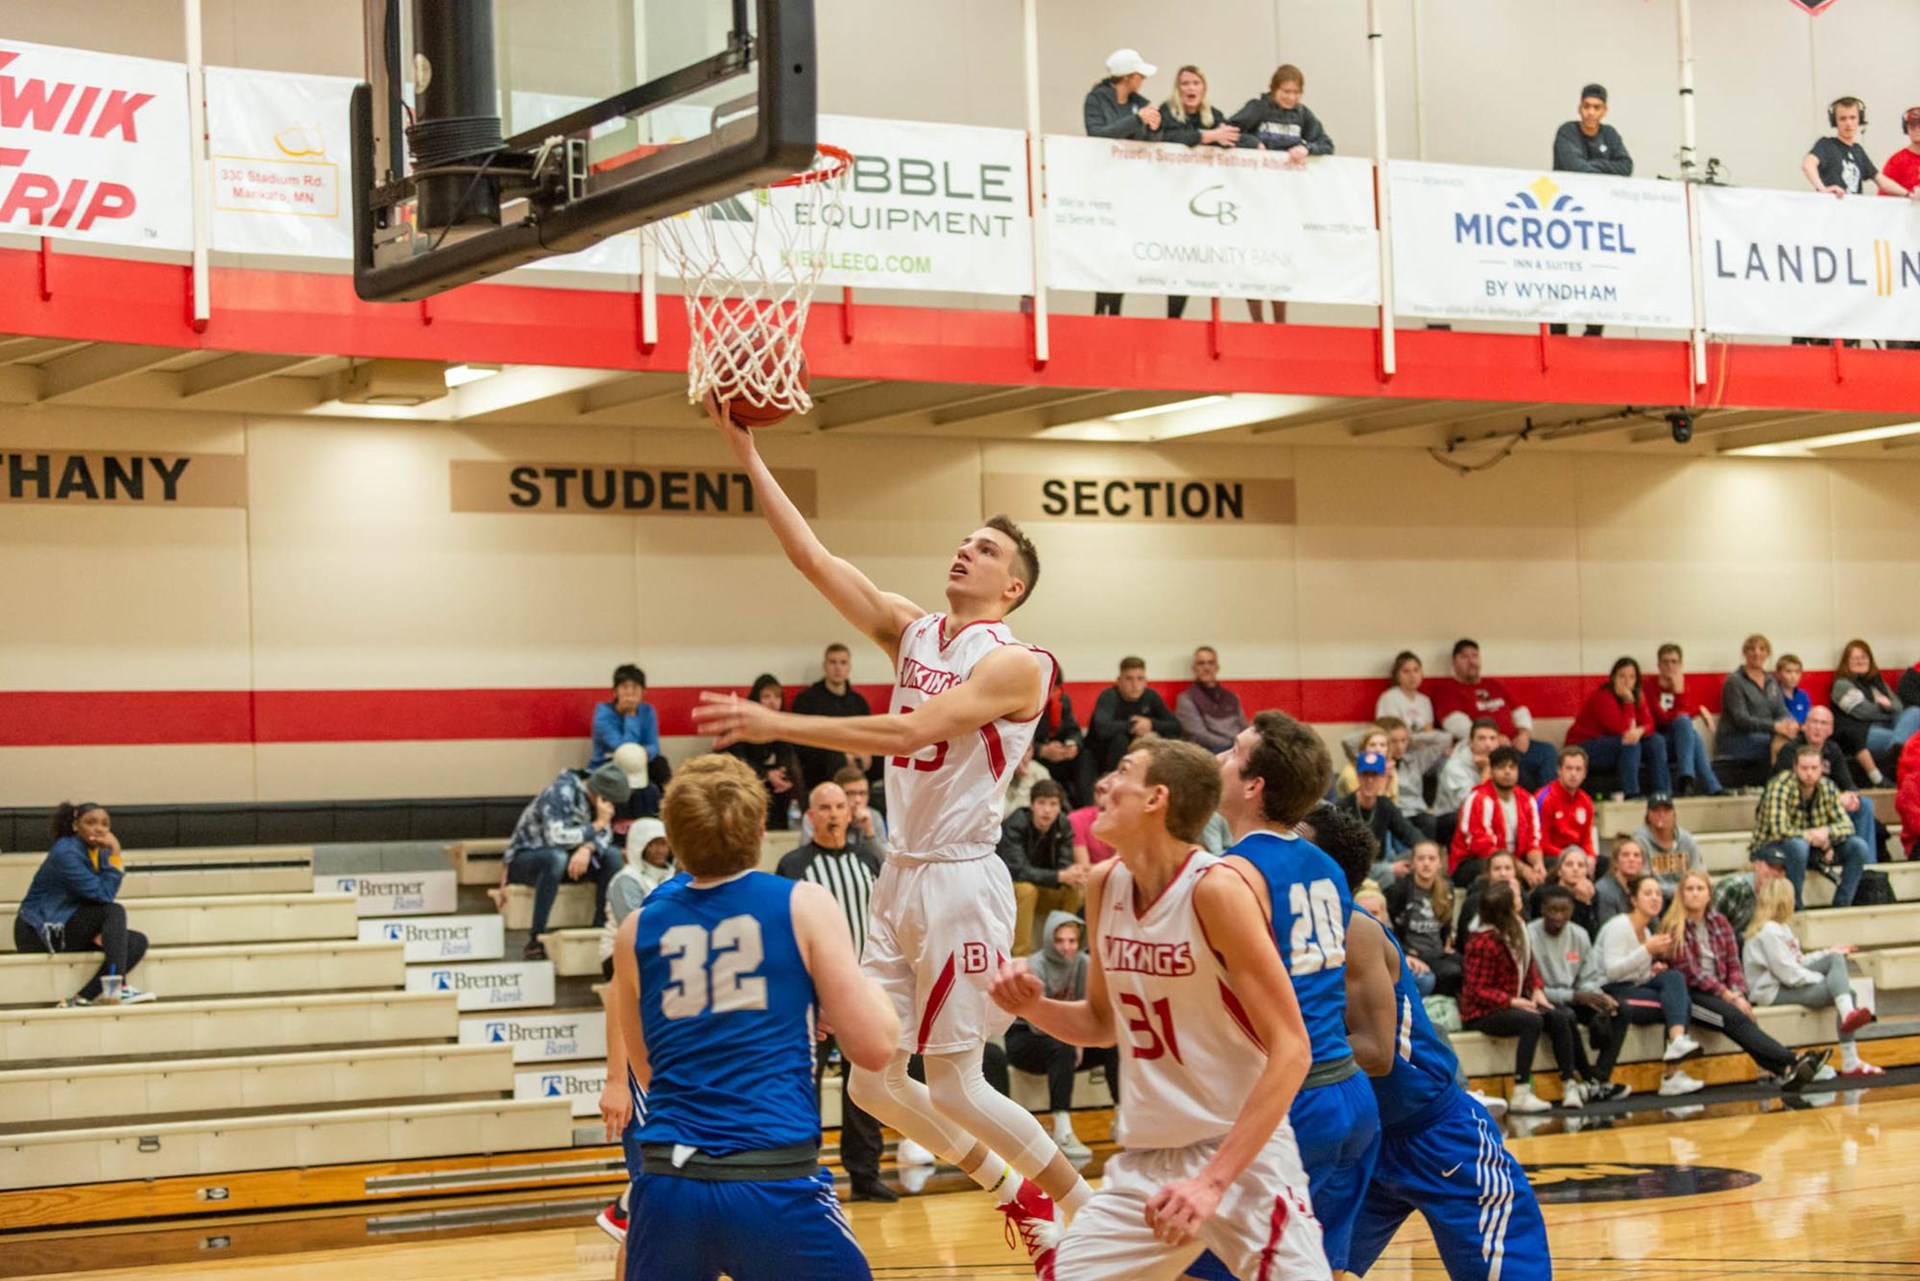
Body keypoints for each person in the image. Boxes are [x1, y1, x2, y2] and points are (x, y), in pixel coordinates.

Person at [693, 407, 1090, 1260]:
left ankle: (1091, 1217)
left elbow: (910, 731)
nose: (965, 552)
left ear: (1012, 587)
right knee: (873, 1081)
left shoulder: (1016, 663)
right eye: (965, 541)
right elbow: (813, 559)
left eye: (986, 549)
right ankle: (1017, 1193)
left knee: (955, 1082)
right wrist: (746, 451)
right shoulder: (914, 632)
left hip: (960, 877)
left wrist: (777, 722)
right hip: (901, 875)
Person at [988, 737, 1331, 1280]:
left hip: (1240, 1156)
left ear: (1157, 798)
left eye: (1123, 771)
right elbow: (1102, 1025)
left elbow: (1293, 1049)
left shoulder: (1216, 890)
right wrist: (1034, 1006)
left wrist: (1213, 1181)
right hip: (1147, 1161)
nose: (1104, 784)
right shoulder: (1104, 883)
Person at [609, 754, 899, 1280]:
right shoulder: (803, 903)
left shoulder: (636, 930)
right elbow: (875, 1048)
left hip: (670, 1186)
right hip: (772, 1176)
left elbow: (649, 1073)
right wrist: (876, 985)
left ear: (673, 835)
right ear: (762, 827)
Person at [1335, 833, 1552, 1281]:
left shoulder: (1355, 930)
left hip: (1432, 1129)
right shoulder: (1282, 937)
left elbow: (1376, 1054)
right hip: (1363, 1134)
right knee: (1300, 1264)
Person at [1213, 712, 1380, 1278]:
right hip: (1350, 1095)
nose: (1219, 759)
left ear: (1254, 786)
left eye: (1233, 752)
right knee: (1321, 1269)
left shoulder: (1235, 875)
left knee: (1198, 1265)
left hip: (1293, 1100)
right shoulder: (1327, 867)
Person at [775, 780, 895, 1203]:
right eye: (823, 808)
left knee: (863, 1088)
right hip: (812, 1000)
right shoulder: (793, 865)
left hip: (863, 992)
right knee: (803, 1087)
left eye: (839, 806)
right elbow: (783, 933)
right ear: (810, 817)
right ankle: (802, 1170)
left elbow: (886, 921)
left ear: (851, 812)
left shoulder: (869, 859)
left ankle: (865, 1174)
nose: (832, 814)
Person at [1661, 870, 1827, 1090]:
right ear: (1681, 894)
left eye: (1700, 889)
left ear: (1709, 894)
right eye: (1689, 889)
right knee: (1733, 1016)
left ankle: (1786, 1070)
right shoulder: (1675, 927)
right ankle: (1793, 1059)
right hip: (1690, 996)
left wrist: (1738, 993)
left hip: (1722, 992)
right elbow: (1692, 973)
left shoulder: (1720, 922)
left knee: (1741, 1014)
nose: (1695, 894)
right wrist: (1729, 996)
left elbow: (1733, 964)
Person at [1458, 879, 1590, 1114]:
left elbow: (1529, 967)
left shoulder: (1518, 926)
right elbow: (1476, 990)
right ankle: (1521, 1091)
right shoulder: (1482, 941)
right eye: (1517, 897)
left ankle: (1569, 1084)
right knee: (1532, 1020)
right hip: (1482, 1012)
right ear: (1508, 906)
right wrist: (1511, 1001)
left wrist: (1537, 989)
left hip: (1514, 1002)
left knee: (1559, 1016)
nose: (1522, 899)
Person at [1002, 913, 1120, 1163]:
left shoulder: (1084, 963)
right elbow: (1036, 1022)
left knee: (1111, 1044)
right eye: (1060, 941)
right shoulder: (1035, 965)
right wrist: (1076, 1038)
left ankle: (1122, 1117)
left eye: (1072, 941)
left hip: (1070, 1037)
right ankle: (1063, 1130)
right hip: (1026, 1039)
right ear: (1048, 940)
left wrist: (1080, 1037)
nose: (1066, 947)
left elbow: (1091, 1010)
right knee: (1063, 1046)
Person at [14, 802, 154, 1007]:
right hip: (37, 931)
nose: (100, 829)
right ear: (75, 826)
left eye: (105, 824)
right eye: (91, 822)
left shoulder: (100, 851)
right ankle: (119, 987)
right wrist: (115, 854)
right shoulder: (66, 852)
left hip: (67, 924)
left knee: (136, 942)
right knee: (113, 911)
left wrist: (101, 931)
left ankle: (82, 998)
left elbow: (100, 896)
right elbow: (103, 895)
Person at [1229, 64, 1333, 325]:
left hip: (1286, 200)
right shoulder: (1257, 108)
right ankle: (1257, 321)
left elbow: (1327, 144)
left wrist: (1307, 148)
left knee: (1280, 260)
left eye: (1296, 92)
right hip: (1254, 196)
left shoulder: (1303, 115)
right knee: (1254, 259)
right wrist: (1253, 143)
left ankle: (1280, 322)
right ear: (1274, 89)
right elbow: (1230, 130)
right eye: (1286, 92)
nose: (1290, 97)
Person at [1744, 879, 1879, 1077]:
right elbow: (1789, 974)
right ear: (1784, 900)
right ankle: (1850, 1056)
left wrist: (1829, 952)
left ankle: (1848, 1017)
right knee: (1846, 992)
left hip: (1784, 983)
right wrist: (1824, 981)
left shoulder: (1781, 928)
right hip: (1771, 992)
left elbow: (1798, 961)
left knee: (1835, 958)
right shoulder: (1768, 932)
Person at [1594, 872, 1706, 1096]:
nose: (1655, 898)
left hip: (1631, 987)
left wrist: (1651, 970)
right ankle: (1672, 1073)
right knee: (1680, 1003)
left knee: (1674, 978)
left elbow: (1637, 974)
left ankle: (1677, 1043)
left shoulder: (1646, 931)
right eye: (1648, 893)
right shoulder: (1619, 926)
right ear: (1634, 900)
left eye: (1658, 893)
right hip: (1608, 992)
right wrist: (1647, 950)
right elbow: (1612, 972)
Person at [504, 761, 630, 960]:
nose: (612, 808)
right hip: (528, 858)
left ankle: (599, 928)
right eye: (612, 802)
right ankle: (536, 938)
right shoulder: (560, 792)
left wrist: (587, 848)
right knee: (556, 858)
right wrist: (597, 824)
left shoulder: (597, 804)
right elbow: (556, 837)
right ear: (601, 796)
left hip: (568, 860)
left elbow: (605, 836)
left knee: (612, 856)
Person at [1528, 883, 1632, 1105]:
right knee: (1566, 1015)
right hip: (1543, 1000)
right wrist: (1574, 997)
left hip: (1575, 996)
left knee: (1620, 1010)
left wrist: (1598, 996)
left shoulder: (1580, 935)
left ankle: (1600, 1078)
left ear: (1572, 910)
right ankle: (1590, 1077)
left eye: (1563, 910)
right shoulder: (1529, 935)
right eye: (1552, 910)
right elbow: (1531, 988)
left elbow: (1589, 977)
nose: (1557, 916)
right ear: (1543, 909)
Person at [1084, 49, 1163, 317]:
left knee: (1123, 250)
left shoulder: (1141, 103)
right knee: (1104, 249)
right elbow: (1098, 134)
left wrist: (1153, 127)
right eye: (1140, 75)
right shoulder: (1096, 100)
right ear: (1128, 76)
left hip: (1131, 186)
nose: (1143, 80)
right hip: (1103, 185)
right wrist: (1136, 120)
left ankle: (1116, 311)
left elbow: (1149, 139)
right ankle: (1100, 311)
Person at [1549, 82, 1631, 338]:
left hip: (1597, 220)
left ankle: (1594, 333)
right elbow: (1573, 166)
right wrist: (1603, 167)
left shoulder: (1610, 135)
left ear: (1604, 110)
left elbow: (1625, 167)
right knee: (1562, 275)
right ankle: (1558, 334)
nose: (1591, 112)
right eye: (1586, 106)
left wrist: (1592, 165)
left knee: (1598, 274)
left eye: (1596, 107)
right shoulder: (1567, 131)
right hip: (1565, 219)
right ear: (1579, 108)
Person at [1158, 70, 1241, 320]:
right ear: (1178, 88)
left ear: (1203, 88)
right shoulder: (1167, 112)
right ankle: (1172, 318)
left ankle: (1178, 319)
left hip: (1204, 196)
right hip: (1171, 193)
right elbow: (1166, 136)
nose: (1190, 88)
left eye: (1195, 83)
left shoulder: (1213, 115)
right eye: (1185, 83)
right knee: (1172, 257)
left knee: (1193, 260)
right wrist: (1208, 136)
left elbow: (1231, 138)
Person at [1751, 745, 1873, 909]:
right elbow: (1778, 829)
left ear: (1822, 768)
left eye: (1814, 768)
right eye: (1804, 768)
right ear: (1795, 767)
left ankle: (1842, 904)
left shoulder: (1828, 786)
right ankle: (1795, 907)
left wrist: (1827, 833)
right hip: (1772, 846)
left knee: (1858, 846)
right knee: (1798, 846)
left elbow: (1847, 826)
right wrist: (1812, 836)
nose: (1809, 773)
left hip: (1812, 847)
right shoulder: (1780, 785)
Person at [1429, 639, 1558, 791]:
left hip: (1515, 743)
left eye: (1474, 656)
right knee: (1512, 769)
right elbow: (1455, 723)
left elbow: (1520, 711)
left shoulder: (1493, 685)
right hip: (1487, 749)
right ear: (1454, 662)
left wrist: (1524, 734)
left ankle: (1548, 801)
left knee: (1547, 751)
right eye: (1464, 657)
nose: (1471, 661)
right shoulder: (1448, 690)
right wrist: (1493, 739)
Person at [1778, 706, 1883, 863]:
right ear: (1804, 726)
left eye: (1823, 723)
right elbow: (1791, 793)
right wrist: (1835, 799)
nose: (1818, 727)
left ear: (1831, 730)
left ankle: (1867, 868)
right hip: (1800, 813)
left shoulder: (1832, 750)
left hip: (1828, 812)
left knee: (1864, 805)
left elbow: (1849, 785)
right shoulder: (1790, 751)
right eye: (1814, 722)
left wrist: (1852, 797)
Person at [998, 780, 1089, 953]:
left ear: (1059, 808)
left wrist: (1073, 873)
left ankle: (1064, 950)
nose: (1047, 810)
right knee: (1027, 890)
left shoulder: (1063, 824)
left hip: (1045, 886)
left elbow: (1064, 865)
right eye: (1041, 803)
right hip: (1012, 888)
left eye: (1053, 804)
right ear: (1031, 805)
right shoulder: (1016, 823)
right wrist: (1059, 876)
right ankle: (1021, 954)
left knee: (1073, 890)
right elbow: (1018, 870)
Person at [1567, 657, 1670, 799]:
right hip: (1584, 748)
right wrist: (1628, 701)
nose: (1627, 681)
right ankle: (1631, 794)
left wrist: (1640, 731)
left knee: (1656, 741)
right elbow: (1621, 729)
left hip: (1613, 745)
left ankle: (1662, 795)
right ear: (1613, 678)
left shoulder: (1638, 696)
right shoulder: (1602, 697)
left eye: (1631, 677)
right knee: (1630, 743)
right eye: (1622, 676)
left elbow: (1650, 724)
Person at [791, 643, 880, 801]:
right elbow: (802, 742)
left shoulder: (858, 701)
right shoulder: (807, 699)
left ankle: (870, 802)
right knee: (835, 758)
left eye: (843, 663)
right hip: (820, 759)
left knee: (885, 753)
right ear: (824, 666)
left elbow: (868, 732)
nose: (838, 668)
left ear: (849, 667)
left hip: (855, 755)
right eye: (833, 662)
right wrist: (843, 755)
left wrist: (866, 751)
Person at [1449, 745, 1545, 890]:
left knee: (1553, 867)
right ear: (1492, 771)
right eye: (1501, 767)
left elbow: (1533, 839)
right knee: (1495, 870)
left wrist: (1538, 864)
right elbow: (1482, 847)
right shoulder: (1478, 798)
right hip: (1474, 861)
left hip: (1514, 860)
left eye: (1512, 767)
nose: (1507, 772)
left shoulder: (1527, 799)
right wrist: (1522, 869)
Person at [1831, 638, 1920, 786]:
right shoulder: (1842, 685)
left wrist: (1888, 706)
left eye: (1864, 657)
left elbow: (1898, 706)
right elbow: (1863, 712)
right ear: (1846, 662)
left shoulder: (1876, 682)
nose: (1860, 661)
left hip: (1887, 726)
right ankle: (1894, 760)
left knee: (1915, 712)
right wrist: (1885, 707)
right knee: (1910, 740)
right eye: (1855, 658)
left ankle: (1894, 756)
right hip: (1862, 733)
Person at [726, 675, 808, 830]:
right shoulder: (741, 725)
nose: (773, 702)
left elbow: (789, 758)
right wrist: (766, 775)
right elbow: (735, 762)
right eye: (766, 697)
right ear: (756, 699)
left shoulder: (784, 726)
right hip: (745, 789)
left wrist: (785, 777)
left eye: (777, 697)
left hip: (780, 793)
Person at [1381, 841, 1461, 997]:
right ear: (1412, 863)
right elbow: (1388, 928)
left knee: (1466, 965)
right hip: (1413, 953)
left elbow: (1446, 921)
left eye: (1432, 858)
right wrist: (1404, 953)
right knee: (1452, 972)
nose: (1426, 863)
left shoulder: (1446, 888)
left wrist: (1447, 942)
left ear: (1440, 863)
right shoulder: (1398, 890)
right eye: (1421, 858)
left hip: (1437, 951)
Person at [1803, 97, 1919, 199]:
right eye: (1842, 118)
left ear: (1860, 119)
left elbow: (1880, 180)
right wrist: (1823, 189)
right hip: (1830, 210)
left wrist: (1908, 194)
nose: (1848, 123)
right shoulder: (1826, 144)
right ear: (1835, 121)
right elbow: (1808, 164)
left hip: (1853, 212)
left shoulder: (1858, 150)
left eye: (1852, 118)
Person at [602, 818, 674, 979]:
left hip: (665, 948)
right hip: (619, 954)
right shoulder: (625, 880)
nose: (660, 850)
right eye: (653, 844)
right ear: (639, 846)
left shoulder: (674, 876)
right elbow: (634, 926)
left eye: (663, 843)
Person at [1650, 642, 1724, 796]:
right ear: (1658, 665)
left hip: (1680, 740)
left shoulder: (1685, 685)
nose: (1670, 666)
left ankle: (1696, 782)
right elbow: (1661, 718)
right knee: (1686, 725)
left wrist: (1697, 708)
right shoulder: (1649, 686)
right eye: (1665, 662)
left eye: (1674, 662)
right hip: (1658, 740)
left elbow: (1687, 710)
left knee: (1693, 735)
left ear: (1680, 665)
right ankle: (1697, 781)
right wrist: (1681, 697)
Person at [1088, 656, 1183, 774]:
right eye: (1129, 679)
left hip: (1137, 751)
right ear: (1119, 681)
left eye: (1140, 679)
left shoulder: (1150, 696)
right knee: (1119, 739)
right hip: (1102, 754)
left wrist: (1151, 724)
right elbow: (1101, 728)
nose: (1135, 684)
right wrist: (1133, 725)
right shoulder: (1109, 696)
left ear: (1145, 681)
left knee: (1168, 738)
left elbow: (1176, 726)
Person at [1718, 635, 1797, 771]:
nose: (1757, 653)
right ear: (1744, 653)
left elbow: (1781, 710)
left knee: (1797, 740)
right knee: (1784, 746)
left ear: (1768, 653)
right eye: (1752, 649)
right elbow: (1741, 720)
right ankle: (1777, 778)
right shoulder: (1734, 681)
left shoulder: (1771, 681)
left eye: (1762, 649)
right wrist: (1774, 727)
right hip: (1736, 738)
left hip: (1767, 735)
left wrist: (1790, 723)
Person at [1340, 751, 1420, 880]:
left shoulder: (1385, 805)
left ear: (1383, 778)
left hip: (1379, 864)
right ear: (1358, 777)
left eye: (1375, 775)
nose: (1369, 781)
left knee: (1417, 860)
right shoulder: (1343, 808)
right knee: (1389, 875)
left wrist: (1425, 850)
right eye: (1365, 775)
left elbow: (1409, 833)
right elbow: (1346, 860)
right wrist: (1389, 869)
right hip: (1351, 870)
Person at [1034, 665, 1093, 807]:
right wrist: (1041, 750)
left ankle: (1087, 807)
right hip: (1035, 756)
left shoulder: (1062, 700)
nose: (1052, 695)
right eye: (1049, 690)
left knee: (1085, 756)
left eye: (1055, 690)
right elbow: (1015, 741)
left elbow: (1073, 729)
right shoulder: (1024, 703)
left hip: (1059, 753)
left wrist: (1072, 744)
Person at [1375, 716, 1443, 838]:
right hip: (1393, 814)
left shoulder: (1415, 759)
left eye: (1403, 741)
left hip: (1417, 813)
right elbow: (1348, 743)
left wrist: (1412, 737)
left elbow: (1444, 739)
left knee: (1429, 821)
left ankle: (1424, 850)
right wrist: (1375, 737)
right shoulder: (1373, 762)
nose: (1400, 746)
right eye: (1393, 741)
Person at [1433, 717, 1502, 834]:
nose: (1488, 744)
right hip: (1450, 818)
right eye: (1482, 738)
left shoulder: (1499, 761)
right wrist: (1486, 771)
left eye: (1492, 738)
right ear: (1471, 742)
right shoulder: (1455, 767)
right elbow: (1473, 805)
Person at [1174, 646, 1247, 752]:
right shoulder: (1186, 699)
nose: (1206, 668)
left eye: (1211, 663)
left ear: (1217, 667)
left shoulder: (1232, 697)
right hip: (1209, 753)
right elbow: (1198, 735)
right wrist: (1233, 746)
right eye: (1201, 663)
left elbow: (1244, 727)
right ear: (1194, 669)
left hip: (1237, 749)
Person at [1633, 792, 1705, 901]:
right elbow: (1643, 879)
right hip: (1655, 897)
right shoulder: (1639, 841)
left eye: (1666, 810)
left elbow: (1698, 872)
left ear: (1674, 814)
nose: (1661, 815)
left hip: (1685, 897)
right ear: (1648, 815)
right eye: (1656, 811)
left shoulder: (1687, 839)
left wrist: (1686, 890)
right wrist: (1674, 891)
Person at [1712, 844, 1793, 939]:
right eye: (1771, 866)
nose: (1775, 873)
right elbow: (1711, 926)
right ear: (1757, 865)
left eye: (1780, 869)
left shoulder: (1779, 895)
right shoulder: (1732, 888)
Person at [591, 663, 661, 769]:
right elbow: (625, 751)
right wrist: (631, 714)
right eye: (624, 687)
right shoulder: (603, 715)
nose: (630, 692)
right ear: (615, 692)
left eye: (635, 687)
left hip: (640, 760)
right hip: (608, 764)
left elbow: (653, 747)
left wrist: (644, 752)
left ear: (643, 692)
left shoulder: (648, 711)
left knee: (660, 764)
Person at [1534, 746, 1598, 861]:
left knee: (1606, 864)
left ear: (1584, 773)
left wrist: (1590, 856)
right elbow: (1541, 843)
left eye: (1578, 769)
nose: (1573, 774)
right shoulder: (1544, 798)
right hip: (1551, 856)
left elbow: (1586, 840)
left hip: (1576, 856)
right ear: (1559, 771)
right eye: (1569, 768)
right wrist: (1569, 857)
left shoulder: (1586, 801)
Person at [1374, 651, 1449, 747]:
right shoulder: (1389, 698)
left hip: (1422, 749)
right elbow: (1392, 733)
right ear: (1397, 675)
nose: (1412, 676)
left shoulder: (1424, 700)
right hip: (1399, 748)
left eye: (1416, 670)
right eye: (1406, 671)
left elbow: (1429, 731)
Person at [1454, 850, 1523, 949]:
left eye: (1508, 868)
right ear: (1488, 873)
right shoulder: (1475, 901)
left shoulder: (1522, 898)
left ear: (1515, 872)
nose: (1503, 874)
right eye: (1497, 869)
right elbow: (1465, 938)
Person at [1529, 846, 1601, 939]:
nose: (1575, 869)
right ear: (1559, 870)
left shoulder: (1592, 893)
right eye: (1569, 864)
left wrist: (1585, 904)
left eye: (1581, 865)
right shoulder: (1544, 894)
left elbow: (1592, 933)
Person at [1593, 835, 1647, 927]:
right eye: (1625, 855)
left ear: (1642, 863)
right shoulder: (1604, 889)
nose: (1631, 859)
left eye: (1636, 855)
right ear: (1616, 861)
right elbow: (1609, 927)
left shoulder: (1645, 887)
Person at [1336, 726, 1399, 802]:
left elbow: (1394, 801)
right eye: (1372, 745)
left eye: (1382, 745)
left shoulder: (1391, 769)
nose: (1378, 749)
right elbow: (1366, 803)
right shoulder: (1350, 772)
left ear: (1388, 750)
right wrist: (1384, 780)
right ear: (1363, 749)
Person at [1884, 106, 1920, 199]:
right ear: (1906, 128)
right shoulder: (1897, 161)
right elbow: (1883, 198)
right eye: (1912, 126)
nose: (1916, 129)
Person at [1776, 653, 1810, 726]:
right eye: (1788, 672)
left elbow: (1808, 718)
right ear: (1779, 674)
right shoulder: (1774, 696)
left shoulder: (1802, 695)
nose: (1793, 676)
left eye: (1797, 672)